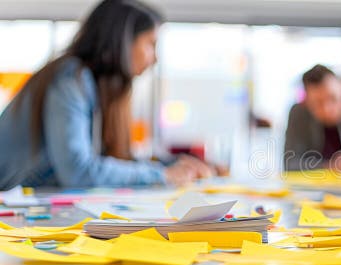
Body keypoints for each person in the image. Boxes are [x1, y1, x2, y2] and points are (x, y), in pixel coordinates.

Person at [0, 0, 212, 190]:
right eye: (150, 44)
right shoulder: (70, 78)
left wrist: (171, 167)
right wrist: (162, 175)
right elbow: (77, 172)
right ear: (123, 41)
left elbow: (108, 160)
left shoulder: (91, 84)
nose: (154, 58)